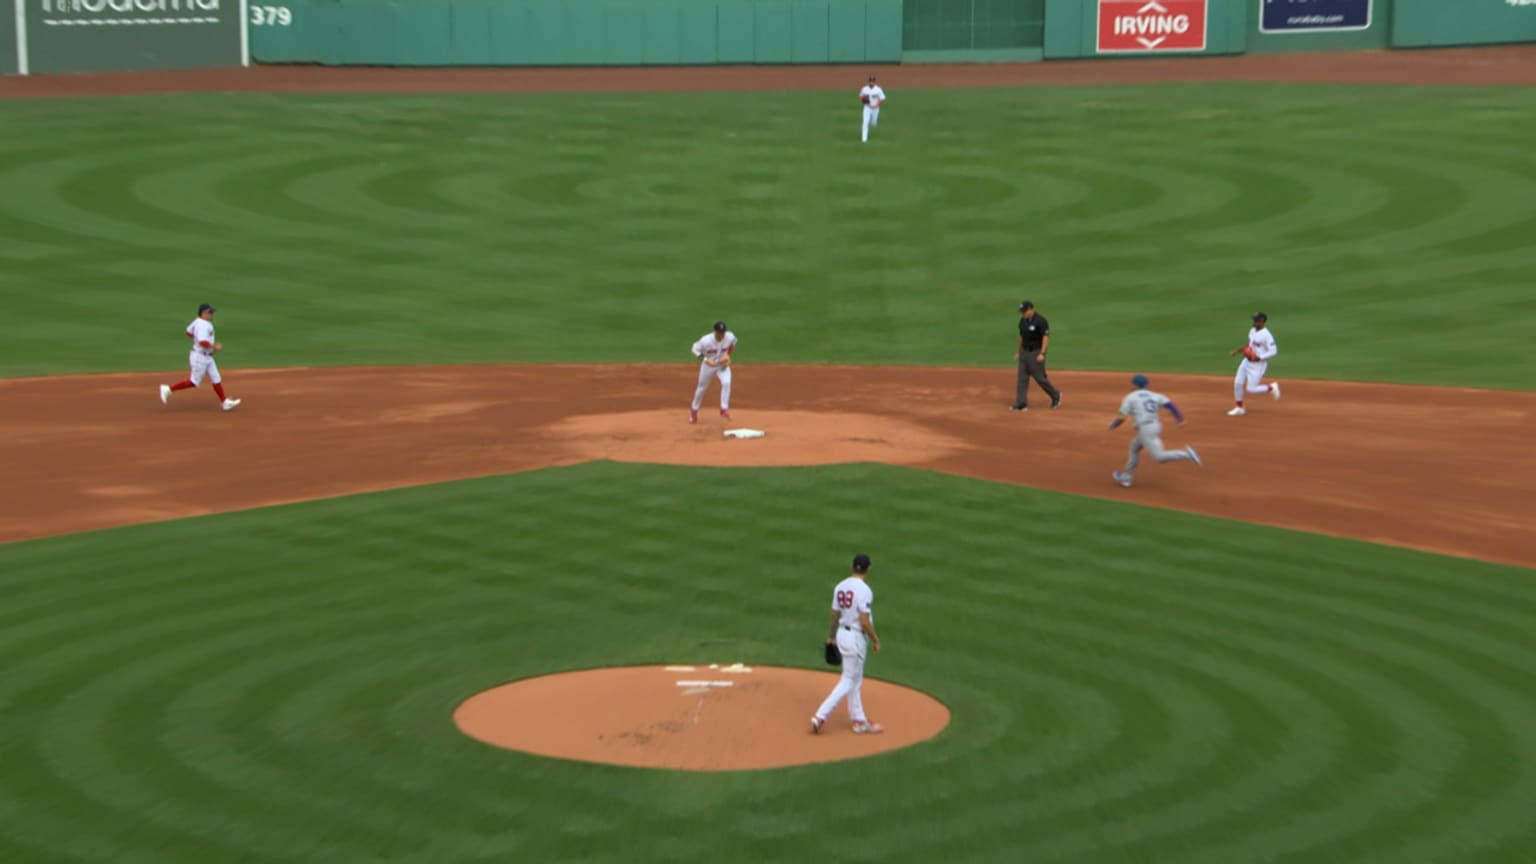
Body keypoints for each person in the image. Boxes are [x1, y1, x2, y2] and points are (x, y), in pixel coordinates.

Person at [811, 553, 884, 735]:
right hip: (856, 638)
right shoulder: (864, 590)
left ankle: (859, 720)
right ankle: (820, 716)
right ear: (868, 569)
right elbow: (864, 621)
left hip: (842, 634)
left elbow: (834, 614)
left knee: (854, 679)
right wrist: (875, 640)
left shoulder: (840, 586)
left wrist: (831, 637)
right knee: (848, 680)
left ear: (852, 566)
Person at [1109, 374, 1201, 488]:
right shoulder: (1156, 395)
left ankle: (1186, 454)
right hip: (1155, 426)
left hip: (1145, 430)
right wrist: (1180, 419)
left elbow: (1121, 418)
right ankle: (1126, 478)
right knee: (1134, 448)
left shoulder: (1130, 397)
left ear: (1134, 385)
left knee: (1159, 457)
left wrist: (1113, 425)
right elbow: (1171, 406)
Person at [160, 303, 241, 412]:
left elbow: (188, 332)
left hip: (207, 357)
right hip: (200, 357)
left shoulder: (198, 321)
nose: (212, 314)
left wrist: (196, 339)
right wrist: (214, 346)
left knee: (216, 378)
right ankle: (168, 389)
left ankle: (224, 402)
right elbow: (202, 341)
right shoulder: (203, 325)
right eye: (210, 312)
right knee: (194, 382)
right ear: (203, 313)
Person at [1011, 301, 1061, 412]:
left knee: (1040, 378)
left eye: (1024, 311)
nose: (1022, 314)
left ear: (1031, 310)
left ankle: (1055, 395)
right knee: (1022, 379)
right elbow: (1021, 337)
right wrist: (1018, 352)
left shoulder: (1041, 321)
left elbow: (1045, 337)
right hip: (1024, 352)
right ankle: (1021, 403)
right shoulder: (1023, 321)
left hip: (1036, 352)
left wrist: (1042, 353)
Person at [1227, 312, 1280, 416]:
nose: (1254, 322)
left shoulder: (1266, 335)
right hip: (1246, 361)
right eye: (1254, 320)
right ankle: (1239, 408)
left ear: (1261, 322)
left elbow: (1273, 351)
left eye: (1256, 320)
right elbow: (1250, 345)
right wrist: (1238, 351)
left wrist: (1259, 357)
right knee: (1237, 383)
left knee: (1251, 389)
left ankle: (1271, 387)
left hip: (1258, 365)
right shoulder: (1252, 330)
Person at [689, 321, 737, 423]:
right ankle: (694, 411)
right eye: (720, 332)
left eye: (723, 332)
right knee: (701, 389)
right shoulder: (706, 340)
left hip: (722, 365)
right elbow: (694, 349)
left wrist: (727, 355)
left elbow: (734, 343)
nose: (722, 334)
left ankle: (724, 409)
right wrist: (705, 360)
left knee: (727, 383)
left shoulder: (729, 336)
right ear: (715, 332)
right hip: (708, 366)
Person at [859, 75, 886, 143]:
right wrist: (863, 100)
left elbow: (882, 98)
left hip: (875, 109)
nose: (871, 83)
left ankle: (873, 122)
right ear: (868, 81)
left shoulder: (878, 89)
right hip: (867, 108)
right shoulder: (864, 88)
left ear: (874, 82)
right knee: (865, 123)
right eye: (870, 81)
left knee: (874, 123)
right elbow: (860, 96)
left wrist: (877, 105)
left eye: (873, 81)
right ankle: (864, 140)